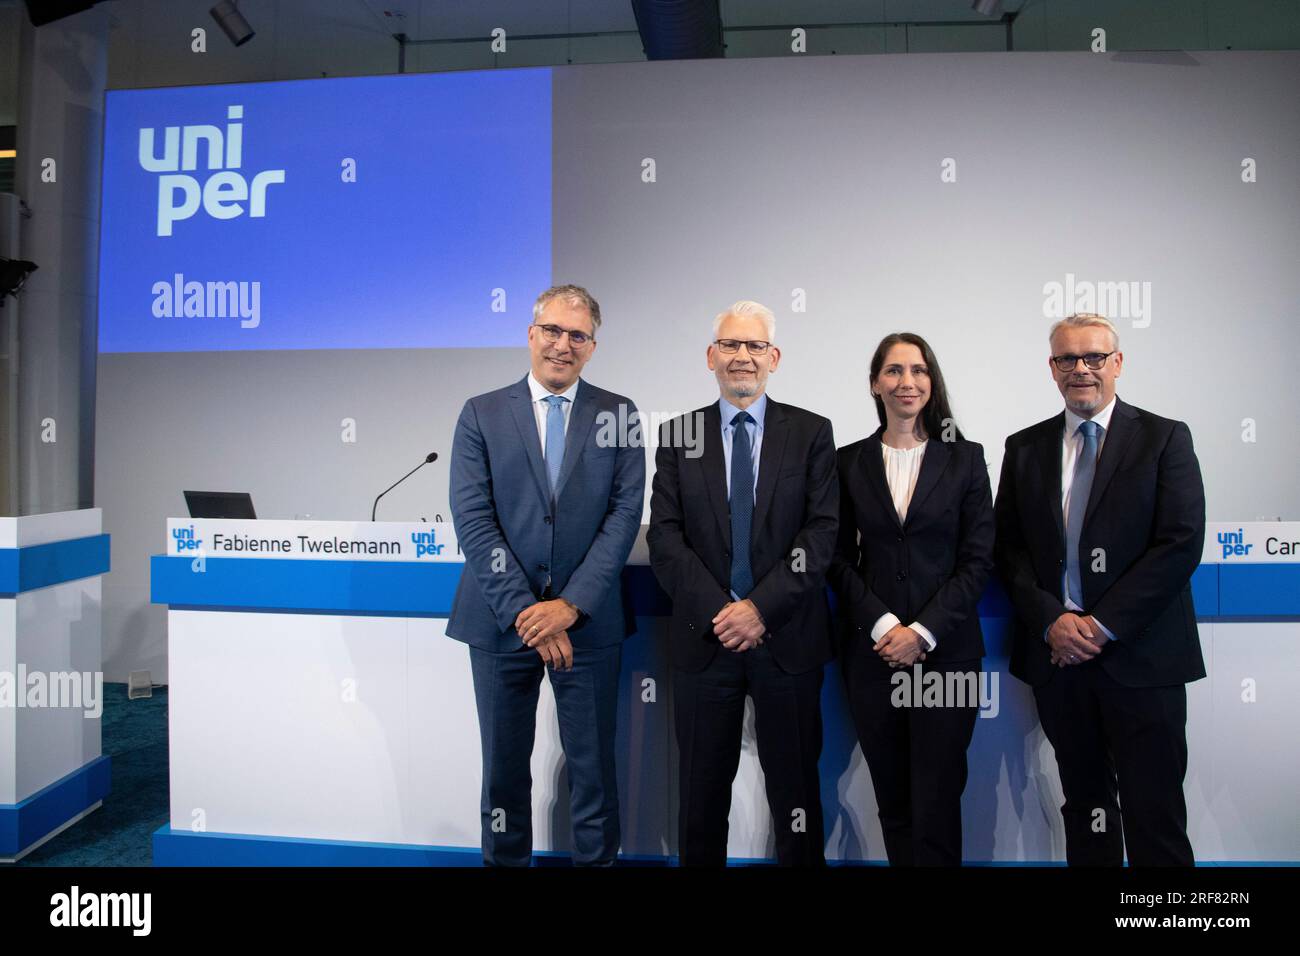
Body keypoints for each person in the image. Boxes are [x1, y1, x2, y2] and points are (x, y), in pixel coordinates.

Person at [994, 312, 1206, 866]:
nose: (1081, 369)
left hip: (1143, 659)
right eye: (1068, 359)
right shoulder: (1024, 448)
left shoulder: (1164, 438)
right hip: (1060, 662)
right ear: (1052, 369)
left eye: (1093, 358)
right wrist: (1053, 621)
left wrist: (1099, 625)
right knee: (1085, 809)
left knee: (1154, 812)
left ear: (1117, 364)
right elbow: (1009, 549)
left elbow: (1179, 544)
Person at [447, 284, 645, 866]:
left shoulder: (619, 414)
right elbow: (474, 519)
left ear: (592, 346)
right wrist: (528, 614)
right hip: (500, 623)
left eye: (577, 335)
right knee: (503, 775)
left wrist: (570, 606)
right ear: (530, 334)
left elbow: (624, 514)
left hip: (587, 626)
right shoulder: (481, 413)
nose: (563, 344)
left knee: (593, 773)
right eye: (552, 331)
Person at [647, 300, 838, 866]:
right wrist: (723, 613)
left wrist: (760, 608)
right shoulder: (680, 435)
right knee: (701, 799)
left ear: (774, 357)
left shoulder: (810, 432)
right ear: (710, 356)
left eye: (755, 346)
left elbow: (822, 533)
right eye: (730, 345)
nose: (742, 357)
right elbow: (665, 538)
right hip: (706, 644)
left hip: (788, 642)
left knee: (796, 796)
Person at [828, 332, 994, 866]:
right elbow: (835, 559)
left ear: (932, 381)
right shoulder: (847, 461)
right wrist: (884, 628)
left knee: (939, 797)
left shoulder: (966, 458)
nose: (907, 382)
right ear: (875, 383)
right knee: (893, 799)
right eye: (894, 371)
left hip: (947, 654)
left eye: (919, 370)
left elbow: (978, 560)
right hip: (873, 656)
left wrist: (920, 632)